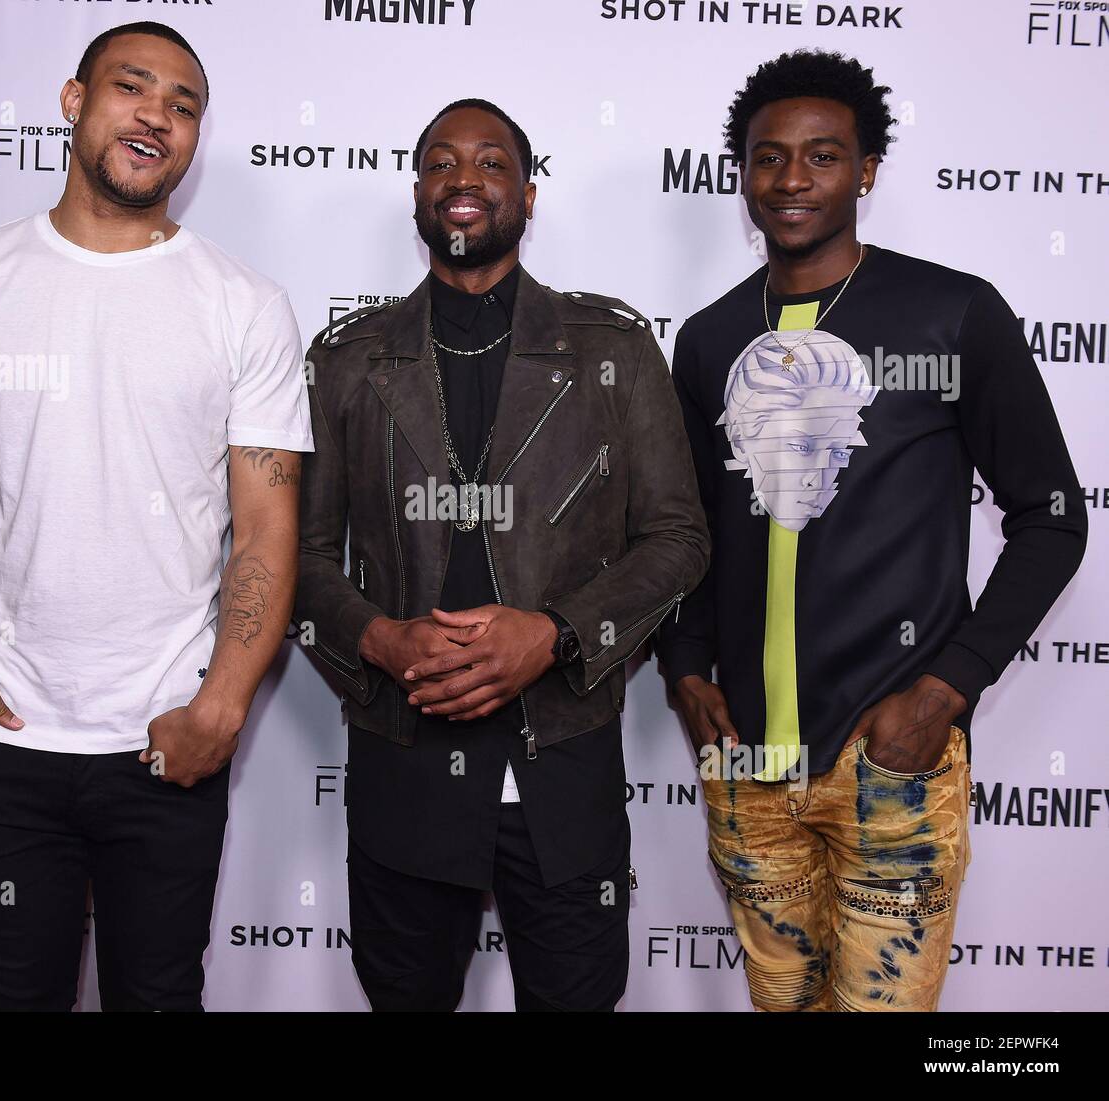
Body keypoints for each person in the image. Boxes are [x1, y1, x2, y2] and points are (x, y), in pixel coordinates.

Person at [0, 21, 313, 1011]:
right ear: (75, 102)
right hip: (0, 744)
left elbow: (267, 531)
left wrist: (224, 706)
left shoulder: (244, 305)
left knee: (158, 1001)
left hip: (166, 739)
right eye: (131, 87)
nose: (155, 112)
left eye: (183, 104)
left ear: (194, 138)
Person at [657, 49, 1087, 1012]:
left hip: (892, 758)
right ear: (742, 175)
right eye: (770, 158)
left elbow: (1053, 521)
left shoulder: (954, 313)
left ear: (867, 170)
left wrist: (946, 689)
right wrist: (684, 667)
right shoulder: (710, 336)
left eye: (822, 156)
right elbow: (682, 529)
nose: (793, 179)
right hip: (747, 766)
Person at [295, 98, 709, 1012]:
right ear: (417, 196)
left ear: (527, 192)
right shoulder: (350, 361)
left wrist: (554, 633)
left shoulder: (613, 349)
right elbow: (301, 556)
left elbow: (678, 539)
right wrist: (380, 641)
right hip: (406, 765)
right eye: (442, 163)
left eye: (489, 162)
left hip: (563, 766)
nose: (464, 180)